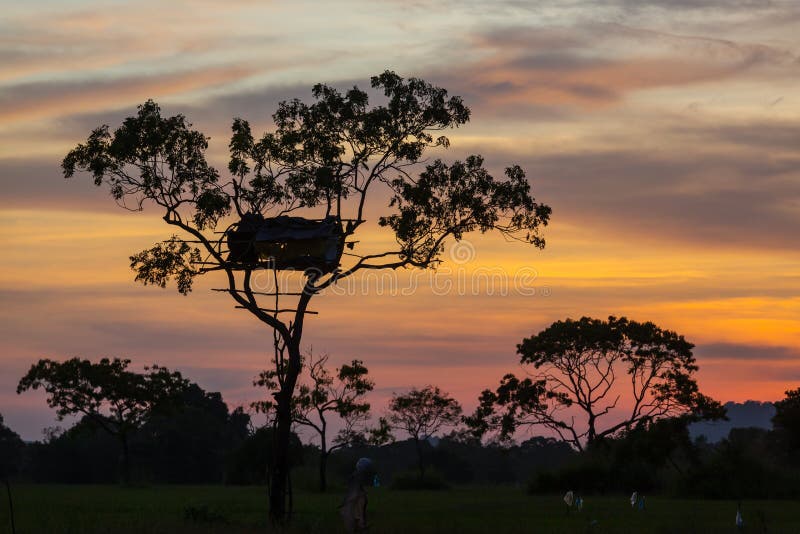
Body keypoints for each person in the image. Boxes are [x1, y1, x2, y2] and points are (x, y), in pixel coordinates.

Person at [341, 458, 374, 533]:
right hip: (353, 502)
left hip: (352, 502)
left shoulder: (356, 475)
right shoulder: (357, 476)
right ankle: (360, 526)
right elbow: (354, 492)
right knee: (357, 518)